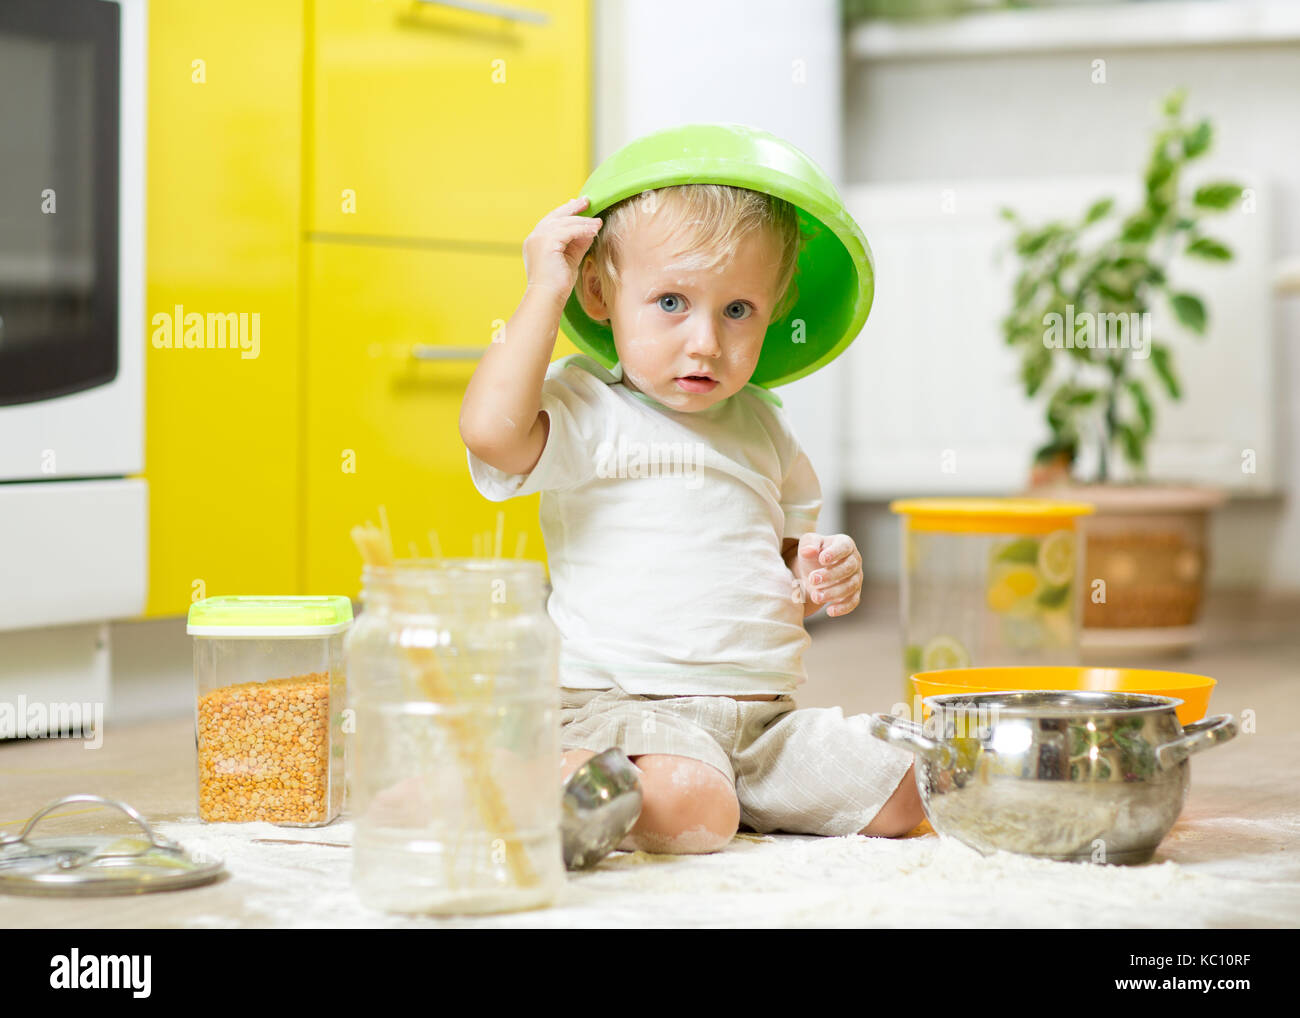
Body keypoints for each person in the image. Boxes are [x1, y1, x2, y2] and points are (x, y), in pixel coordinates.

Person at [459, 184, 923, 855]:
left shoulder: (766, 427)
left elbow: (781, 559)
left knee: (903, 788)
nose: (705, 342)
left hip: (762, 724)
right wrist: (542, 293)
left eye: (738, 310)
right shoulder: (591, 407)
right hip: (628, 708)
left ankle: (708, 794)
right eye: (671, 302)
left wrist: (818, 568)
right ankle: (542, 776)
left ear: (774, 311)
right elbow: (490, 433)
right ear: (598, 297)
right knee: (689, 805)